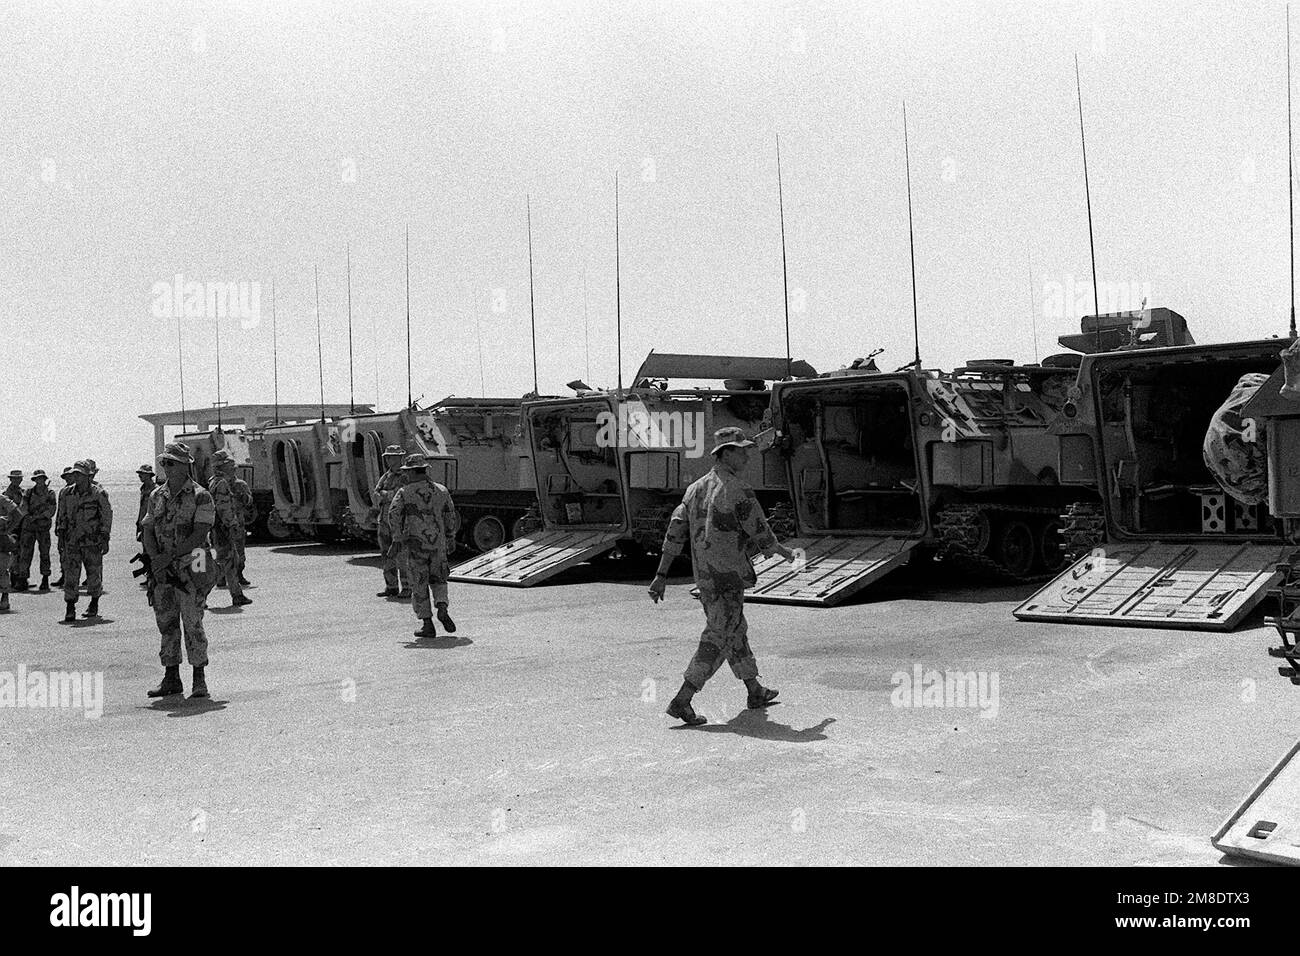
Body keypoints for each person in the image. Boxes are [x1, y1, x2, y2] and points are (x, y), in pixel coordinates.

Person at [648, 427, 797, 726]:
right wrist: (781, 551)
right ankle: (683, 699)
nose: (746, 455)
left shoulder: (694, 490)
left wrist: (661, 574)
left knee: (734, 628)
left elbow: (674, 532)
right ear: (726, 453)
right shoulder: (738, 489)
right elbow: (760, 530)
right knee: (719, 635)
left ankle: (754, 690)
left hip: (704, 578)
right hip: (727, 578)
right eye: (741, 450)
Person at [141, 442, 217, 699]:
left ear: (186, 466)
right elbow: (148, 529)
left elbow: (200, 533)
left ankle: (199, 679)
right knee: (166, 622)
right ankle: (171, 677)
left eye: (171, 462)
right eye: (164, 462)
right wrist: (155, 560)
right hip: (163, 570)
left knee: (193, 621)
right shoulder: (156, 495)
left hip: (191, 566)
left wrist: (169, 556)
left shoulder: (200, 495)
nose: (166, 466)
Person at [388, 454, 458, 637]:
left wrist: (396, 538)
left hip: (416, 545)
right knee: (440, 579)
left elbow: (393, 515)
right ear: (425, 470)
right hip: (438, 545)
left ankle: (427, 624)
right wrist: (450, 537)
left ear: (411, 471)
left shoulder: (405, 492)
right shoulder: (442, 490)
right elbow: (451, 515)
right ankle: (442, 607)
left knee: (419, 583)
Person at [60, 459, 112, 622]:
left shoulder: (98, 493)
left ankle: (94, 603)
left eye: (80, 474)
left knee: (93, 575)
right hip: (72, 541)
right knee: (71, 575)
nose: (76, 476)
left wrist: (105, 538)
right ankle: (70, 607)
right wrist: (60, 538)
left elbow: (106, 516)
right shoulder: (66, 493)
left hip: (92, 542)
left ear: (88, 476)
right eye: (74, 473)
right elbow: (61, 517)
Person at [207, 450, 252, 607]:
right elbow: (223, 507)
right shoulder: (222, 483)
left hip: (218, 527)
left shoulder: (213, 481)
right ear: (222, 466)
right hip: (223, 528)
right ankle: (200, 595)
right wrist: (232, 524)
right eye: (229, 465)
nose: (233, 467)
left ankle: (237, 595)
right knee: (223, 562)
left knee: (230, 561)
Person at [371, 444, 410, 598]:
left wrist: (384, 495)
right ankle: (391, 586)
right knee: (386, 554)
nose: (389, 460)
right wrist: (384, 495)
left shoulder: (406, 476)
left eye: (392, 457)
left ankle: (407, 587)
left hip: (400, 521)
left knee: (402, 555)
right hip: (384, 520)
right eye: (387, 457)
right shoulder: (386, 476)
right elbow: (375, 493)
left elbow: (401, 495)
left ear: (400, 457)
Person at [15, 469, 56, 592]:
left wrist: (38, 516)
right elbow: (23, 507)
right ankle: (23, 578)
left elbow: (51, 510)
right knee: (25, 554)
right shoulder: (29, 492)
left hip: (43, 527)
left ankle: (45, 578)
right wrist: (29, 517)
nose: (40, 481)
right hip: (29, 527)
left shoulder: (50, 493)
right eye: (37, 479)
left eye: (41, 478)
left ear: (44, 479)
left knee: (44, 553)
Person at [51, 467, 74, 589]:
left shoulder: (76, 491)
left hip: (74, 528)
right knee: (62, 553)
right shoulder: (63, 491)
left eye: (70, 476)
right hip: (63, 527)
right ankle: (64, 575)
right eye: (66, 476)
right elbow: (60, 511)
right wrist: (57, 526)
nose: (68, 478)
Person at [0, 492, 22, 613]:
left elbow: (17, 514)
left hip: (0, 540)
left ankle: (5, 598)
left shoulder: (1, 499)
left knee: (2, 569)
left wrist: (7, 530)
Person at [135, 464, 156, 539]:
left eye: (142, 474)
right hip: (142, 523)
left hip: (152, 525)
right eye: (139, 474)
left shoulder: (156, 490)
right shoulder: (143, 489)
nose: (139, 475)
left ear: (148, 475)